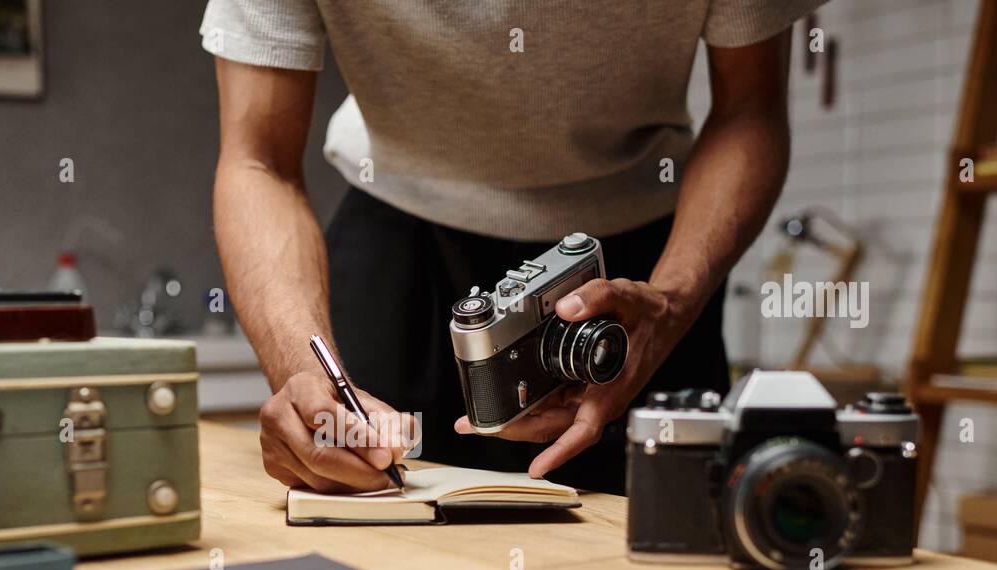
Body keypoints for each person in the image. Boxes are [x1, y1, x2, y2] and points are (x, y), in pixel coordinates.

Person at [202, 1, 825, 494]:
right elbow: (259, 162)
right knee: (369, 526)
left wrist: (671, 300)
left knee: (665, 569)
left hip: (640, 281)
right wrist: (302, 372)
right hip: (398, 249)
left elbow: (750, 108)